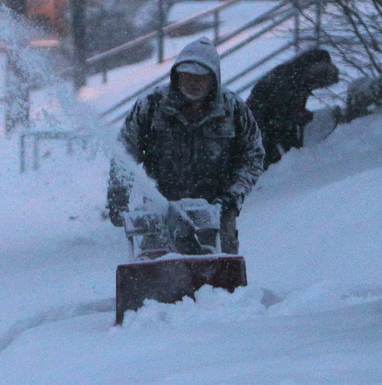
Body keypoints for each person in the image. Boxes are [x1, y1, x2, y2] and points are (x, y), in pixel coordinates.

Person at [106, 37, 265, 254]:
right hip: (159, 208)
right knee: (155, 275)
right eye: (187, 75)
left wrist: (231, 199)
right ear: (176, 76)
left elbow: (253, 156)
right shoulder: (151, 106)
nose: (193, 82)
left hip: (216, 210)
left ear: (213, 79)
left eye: (201, 77)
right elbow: (125, 153)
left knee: (220, 277)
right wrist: (118, 195)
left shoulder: (233, 110)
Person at [245, 47, 339, 168]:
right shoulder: (290, 80)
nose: (317, 88)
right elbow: (282, 114)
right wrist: (299, 116)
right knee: (268, 156)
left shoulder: (297, 77)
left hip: (264, 119)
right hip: (261, 122)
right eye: (319, 85)